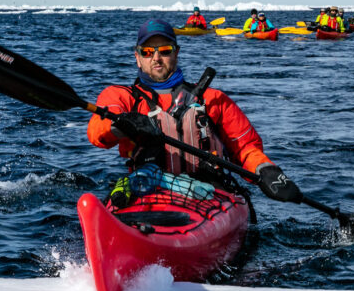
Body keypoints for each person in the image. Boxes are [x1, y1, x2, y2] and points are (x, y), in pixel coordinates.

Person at [86, 19, 302, 203]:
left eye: (164, 50)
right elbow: (97, 132)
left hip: (209, 194)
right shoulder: (121, 96)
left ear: (176, 53)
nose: (156, 58)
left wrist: (265, 169)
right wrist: (119, 125)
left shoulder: (212, 99)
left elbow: (245, 148)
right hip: (149, 191)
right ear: (137, 58)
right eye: (148, 52)